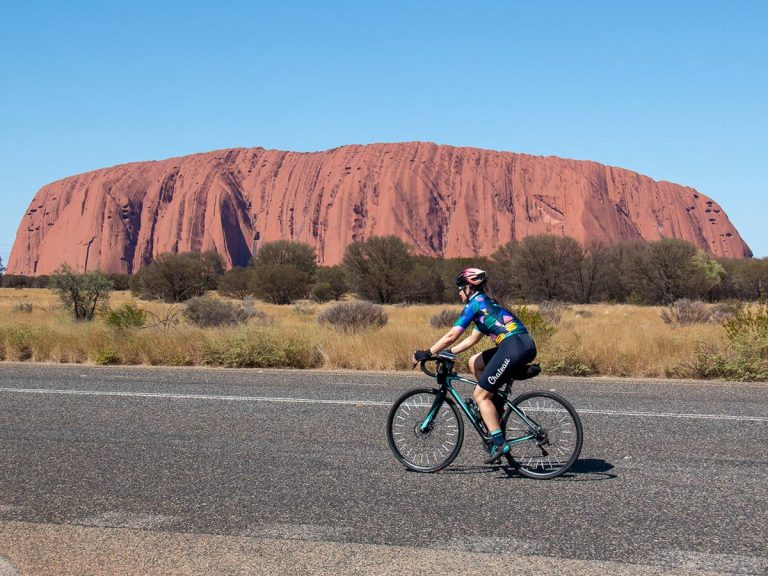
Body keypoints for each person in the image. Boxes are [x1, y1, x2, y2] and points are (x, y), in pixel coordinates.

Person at [412, 267, 537, 464]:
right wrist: (450, 353)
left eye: (460, 288)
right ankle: (494, 404)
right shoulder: (487, 304)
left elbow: (452, 335)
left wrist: (428, 353)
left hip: (513, 347)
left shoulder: (474, 304)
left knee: (479, 395)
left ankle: (499, 442)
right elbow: (472, 339)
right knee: (474, 362)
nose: (458, 292)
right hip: (524, 344)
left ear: (469, 288)